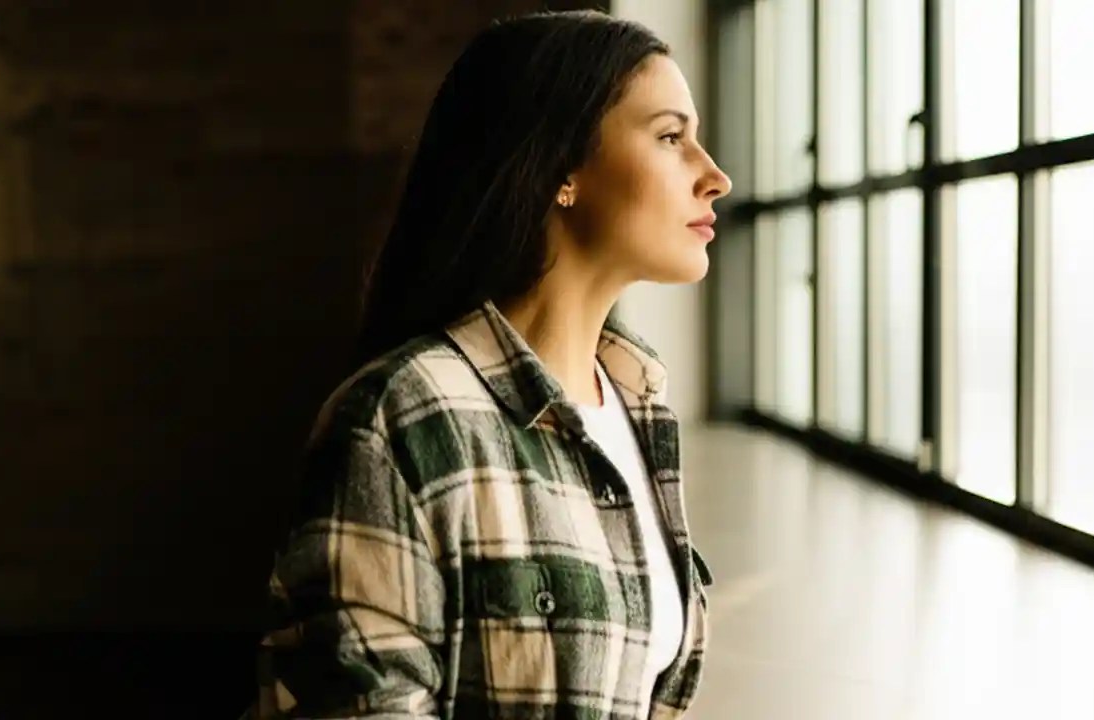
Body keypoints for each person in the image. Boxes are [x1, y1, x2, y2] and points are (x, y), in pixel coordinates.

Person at [246, 9, 731, 719]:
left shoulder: (638, 403)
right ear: (563, 167)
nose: (713, 176)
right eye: (669, 138)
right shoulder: (399, 418)